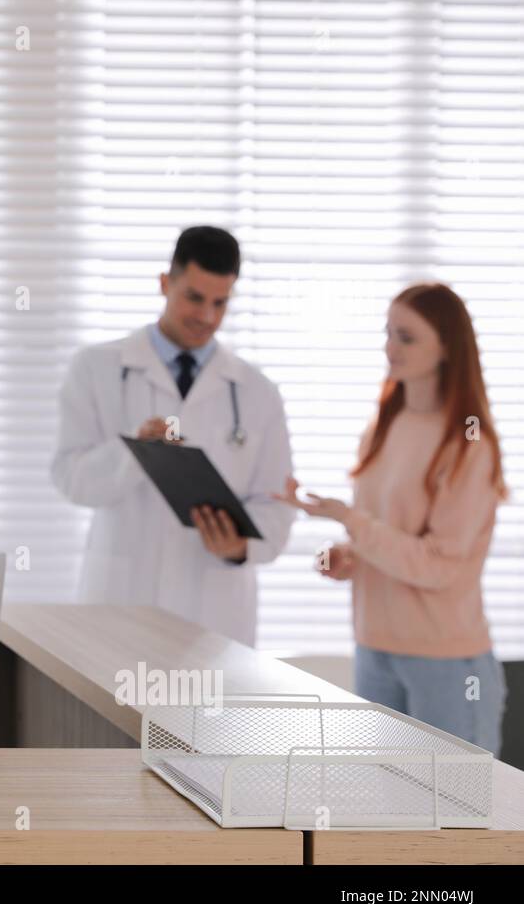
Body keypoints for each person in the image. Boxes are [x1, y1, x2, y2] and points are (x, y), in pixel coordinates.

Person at [277, 283, 507, 755]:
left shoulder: (469, 445)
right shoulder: (385, 428)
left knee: (457, 823)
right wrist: (348, 556)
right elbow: (386, 538)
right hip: (374, 651)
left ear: (446, 346)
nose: (390, 347)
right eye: (387, 333)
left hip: (444, 663)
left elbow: (438, 565)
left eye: (406, 337)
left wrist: (351, 522)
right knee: (385, 819)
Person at [51, 226, 294, 646]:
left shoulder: (257, 392)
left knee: (208, 710)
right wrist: (135, 453)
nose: (207, 317)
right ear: (165, 283)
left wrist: (239, 547)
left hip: (215, 615)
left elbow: (276, 506)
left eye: (221, 302)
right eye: (194, 298)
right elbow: (71, 478)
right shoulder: (96, 368)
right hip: (121, 606)